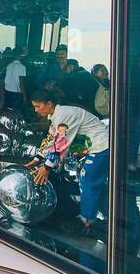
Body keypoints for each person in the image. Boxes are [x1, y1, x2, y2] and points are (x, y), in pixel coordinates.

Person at [27, 88, 110, 241]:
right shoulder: (56, 116)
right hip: (94, 146)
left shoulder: (64, 115)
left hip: (102, 145)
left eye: (38, 106)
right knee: (91, 183)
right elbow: (51, 138)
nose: (36, 110)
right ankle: (93, 216)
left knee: (88, 181)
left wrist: (46, 168)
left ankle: (88, 222)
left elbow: (60, 144)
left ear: (49, 104)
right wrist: (38, 158)